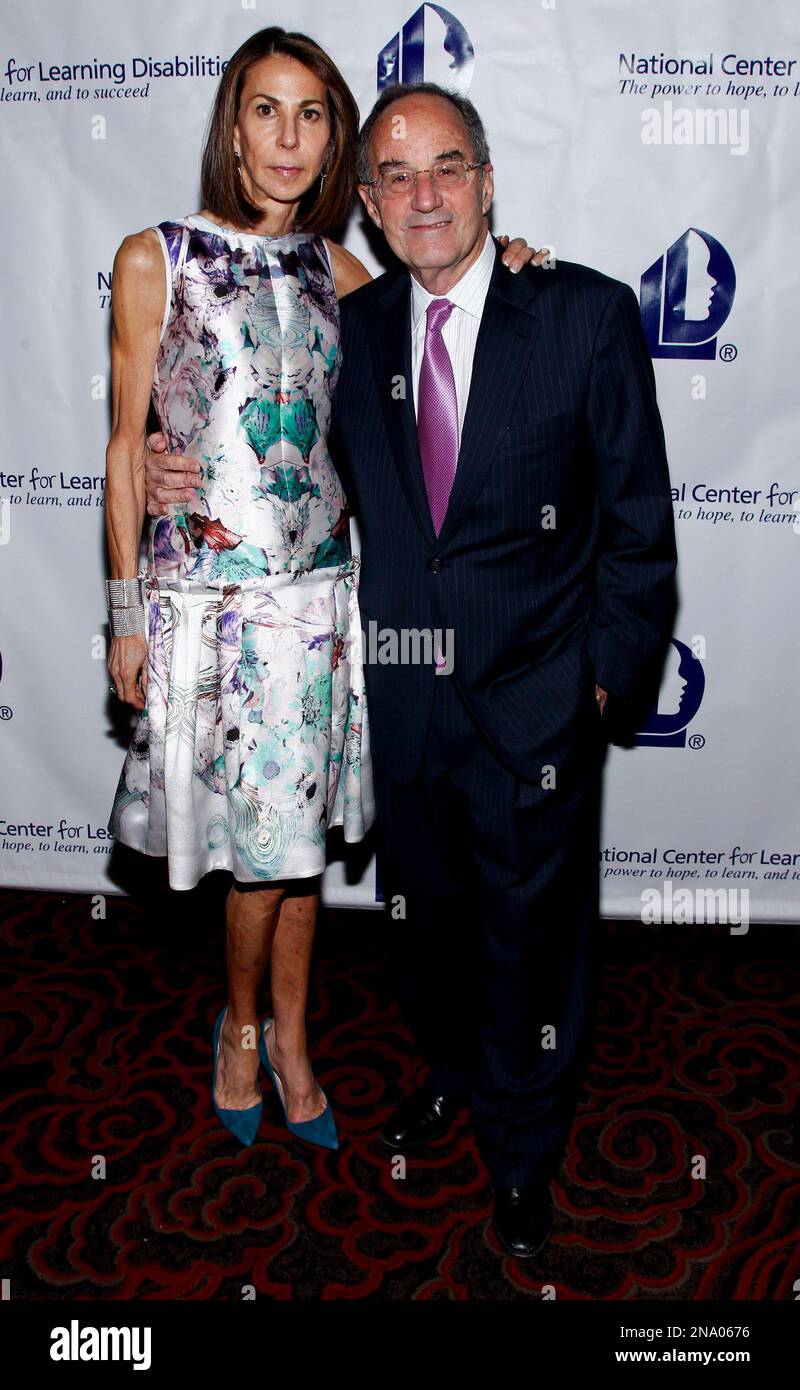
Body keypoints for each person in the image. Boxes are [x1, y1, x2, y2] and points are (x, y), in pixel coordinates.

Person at [143, 79, 678, 1260]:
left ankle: (524, 1152)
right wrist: (158, 463)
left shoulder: (583, 315)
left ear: (487, 181)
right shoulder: (356, 322)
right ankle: (448, 1070)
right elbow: (247, 414)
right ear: (371, 208)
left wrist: (600, 687)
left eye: (447, 167)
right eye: (393, 175)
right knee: (429, 926)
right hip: (395, 699)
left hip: (539, 703)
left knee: (535, 948)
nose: (421, 193)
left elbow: (638, 523)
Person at [105, 32, 538, 1155]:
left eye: (310, 115)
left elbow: (453, 307)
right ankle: (241, 1028)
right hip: (209, 602)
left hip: (321, 606)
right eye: (266, 110)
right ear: (231, 124)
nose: (289, 137)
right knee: (261, 856)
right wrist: (120, 610)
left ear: (331, 137)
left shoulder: (345, 277)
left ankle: (287, 1033)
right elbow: (120, 448)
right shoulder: (157, 258)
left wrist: (514, 261)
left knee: (293, 851)